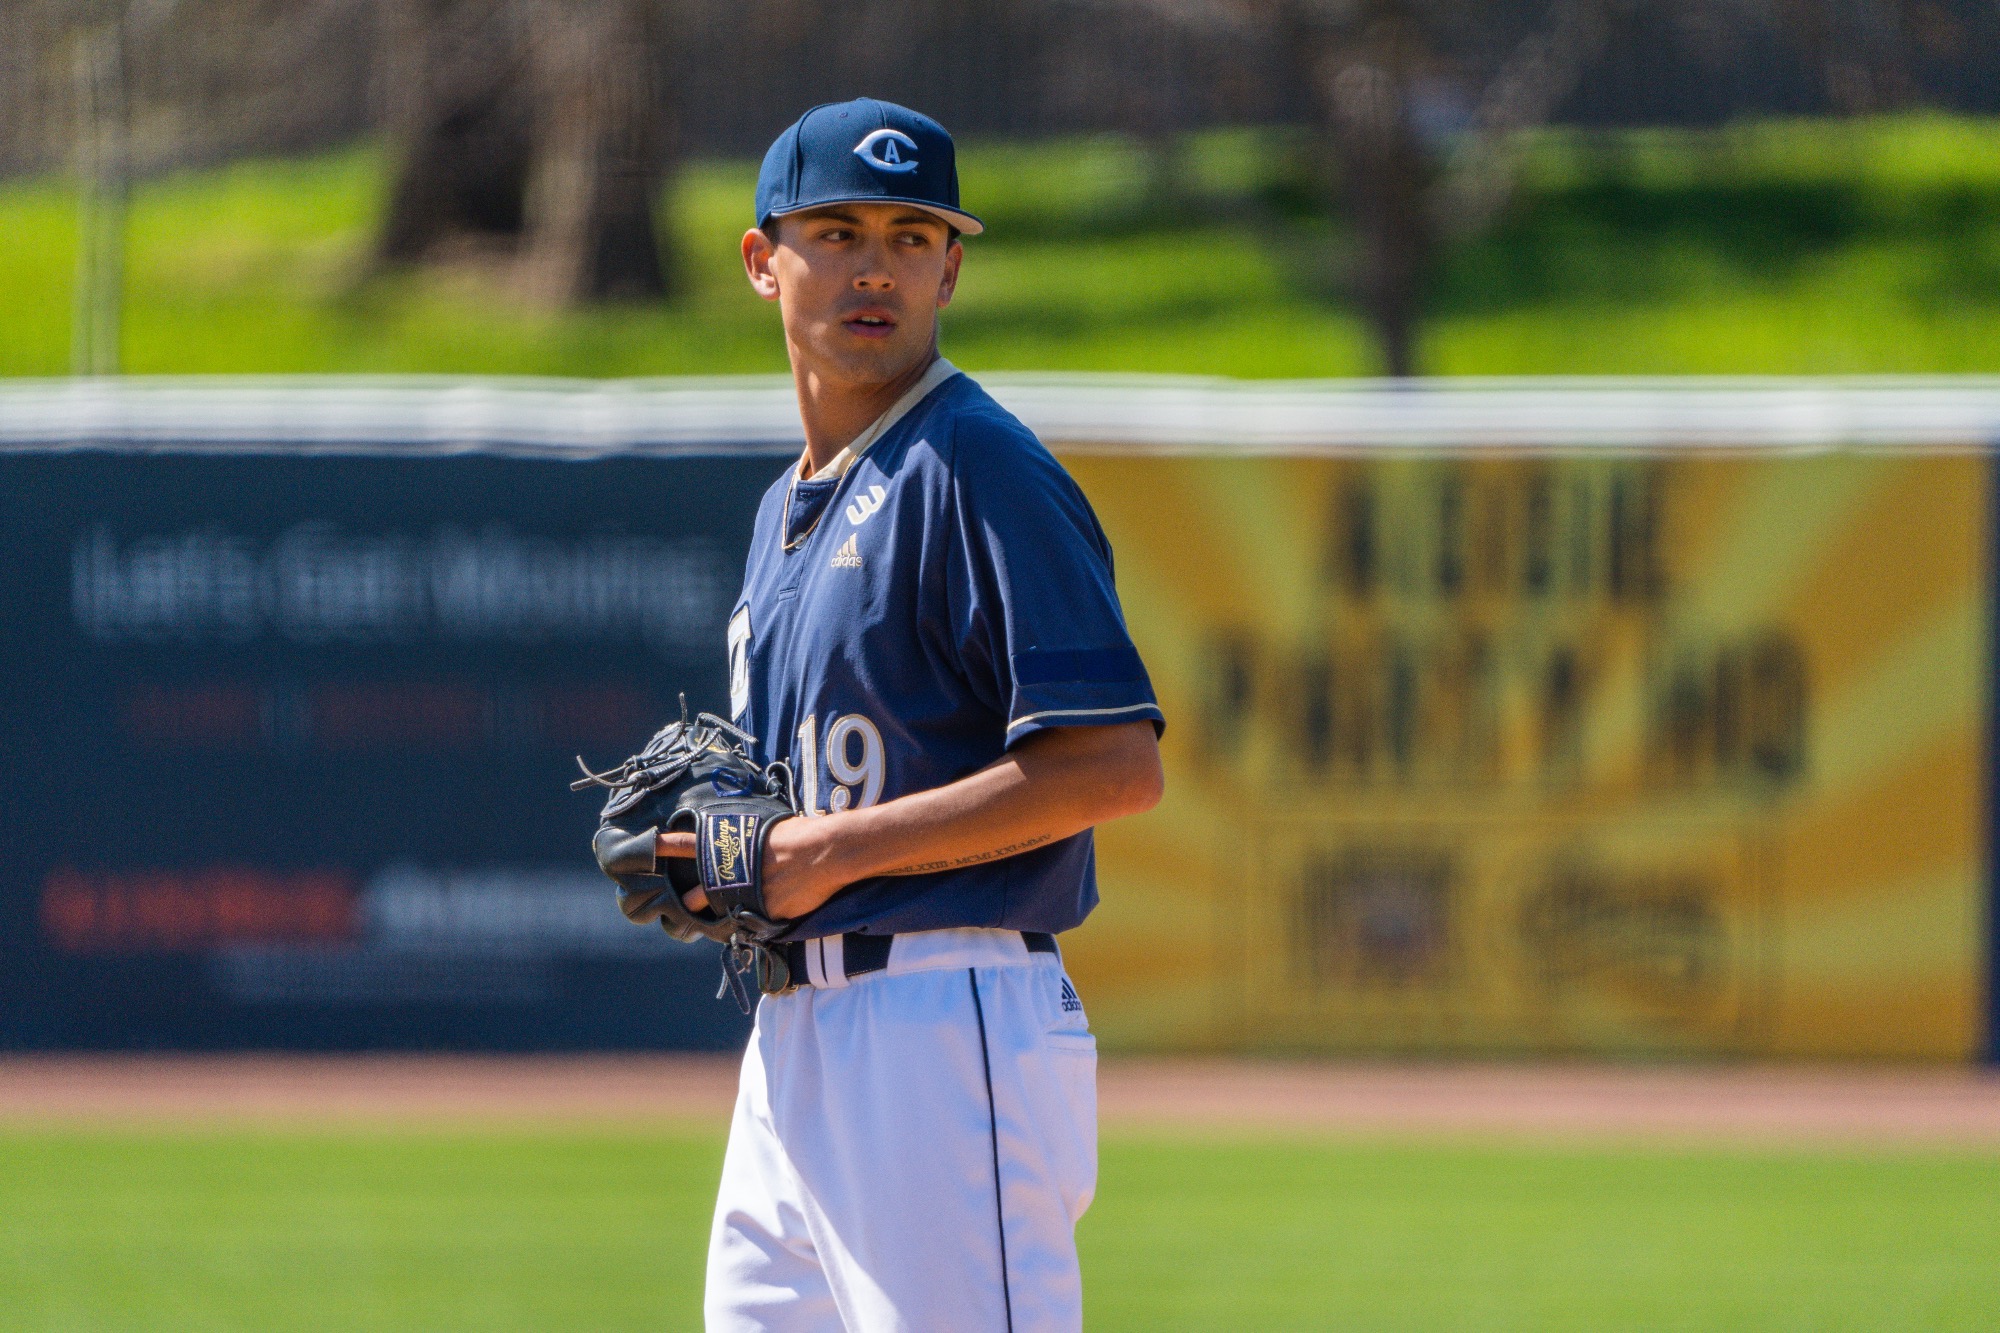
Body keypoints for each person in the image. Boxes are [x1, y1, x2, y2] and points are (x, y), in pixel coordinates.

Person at [660, 97, 1165, 1332]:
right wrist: (720, 862)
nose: (873, 263)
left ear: (950, 267)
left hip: (945, 1020)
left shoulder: (975, 463)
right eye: (834, 230)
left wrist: (820, 852)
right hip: (794, 1036)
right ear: (759, 260)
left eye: (908, 232)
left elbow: (1109, 764)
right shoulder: (792, 503)